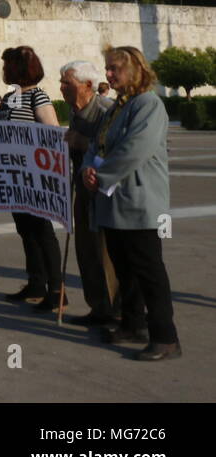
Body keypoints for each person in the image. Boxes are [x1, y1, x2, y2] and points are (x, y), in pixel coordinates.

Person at [84, 46, 180, 360]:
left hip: (139, 201)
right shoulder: (118, 106)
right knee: (124, 269)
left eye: (115, 69)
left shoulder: (149, 104)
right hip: (112, 202)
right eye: (107, 68)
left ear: (135, 69)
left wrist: (101, 174)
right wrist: (88, 168)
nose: (108, 74)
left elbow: (136, 148)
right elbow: (97, 142)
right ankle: (132, 323)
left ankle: (165, 337)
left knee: (148, 270)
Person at [0, 46, 64, 312]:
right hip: (13, 177)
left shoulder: (38, 96)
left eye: (6, 66)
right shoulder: (12, 98)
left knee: (42, 232)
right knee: (26, 231)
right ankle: (36, 282)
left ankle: (57, 290)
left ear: (16, 69)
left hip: (33, 177)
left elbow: (52, 132)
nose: (3, 70)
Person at [60, 60, 119, 326]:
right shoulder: (75, 111)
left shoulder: (107, 110)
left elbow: (116, 151)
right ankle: (97, 307)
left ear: (87, 85)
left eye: (67, 83)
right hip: (82, 189)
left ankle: (116, 312)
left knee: (106, 253)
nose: (61, 88)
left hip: (105, 192)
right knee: (85, 250)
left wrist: (82, 142)